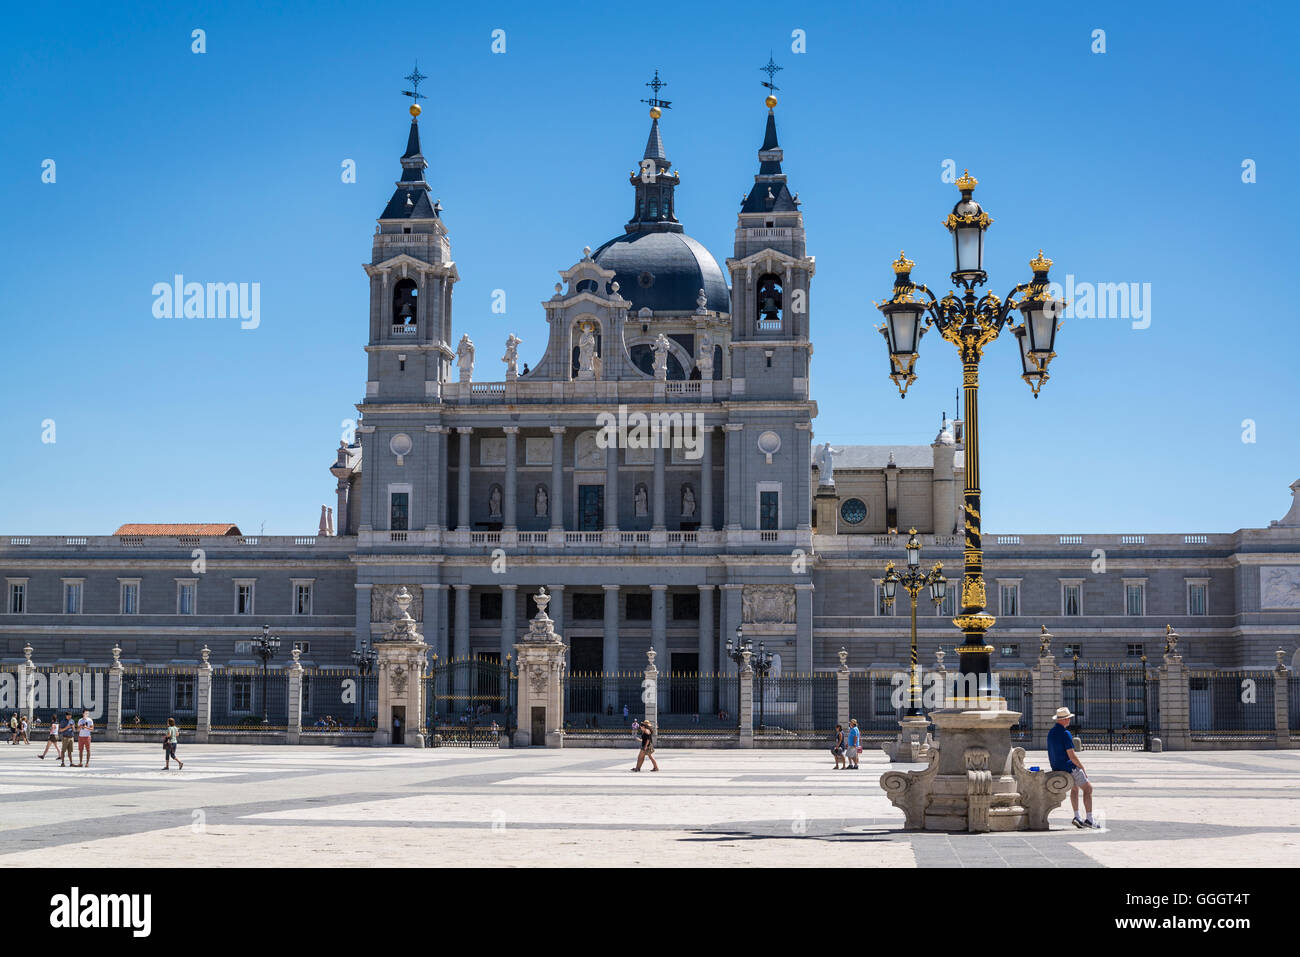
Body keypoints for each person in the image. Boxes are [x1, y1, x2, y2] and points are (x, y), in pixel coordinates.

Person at [1047, 706, 1096, 828]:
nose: (1069, 720)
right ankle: (1089, 819)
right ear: (1063, 720)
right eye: (1068, 718)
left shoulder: (1051, 732)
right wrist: (1082, 768)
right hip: (1069, 766)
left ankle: (1077, 816)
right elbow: (1072, 755)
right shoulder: (1065, 733)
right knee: (1088, 789)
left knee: (1075, 789)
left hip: (1057, 766)